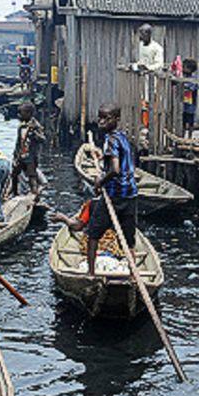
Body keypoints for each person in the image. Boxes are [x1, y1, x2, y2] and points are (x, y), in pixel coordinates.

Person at [85, 104, 138, 275]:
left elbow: (115, 170)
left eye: (106, 118)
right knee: (129, 240)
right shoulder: (122, 137)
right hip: (130, 194)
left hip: (115, 196)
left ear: (116, 119)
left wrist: (100, 182)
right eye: (100, 118)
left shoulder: (111, 140)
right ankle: (132, 274)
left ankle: (91, 273)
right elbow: (119, 161)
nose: (101, 122)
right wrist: (103, 159)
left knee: (92, 235)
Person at [10, 101, 44, 196]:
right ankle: (14, 193)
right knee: (14, 174)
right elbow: (18, 142)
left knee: (31, 176)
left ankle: (35, 195)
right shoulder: (21, 126)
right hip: (21, 155)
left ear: (29, 113)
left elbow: (42, 139)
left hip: (31, 157)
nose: (19, 115)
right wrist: (15, 154)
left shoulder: (36, 125)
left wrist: (34, 132)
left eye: (21, 113)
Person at [181, 59, 199, 138]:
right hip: (183, 103)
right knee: (183, 120)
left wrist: (183, 85)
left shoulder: (193, 78)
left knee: (190, 120)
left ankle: (190, 136)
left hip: (191, 104)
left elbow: (191, 87)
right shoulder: (182, 76)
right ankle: (182, 135)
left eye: (184, 67)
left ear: (190, 69)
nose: (183, 68)